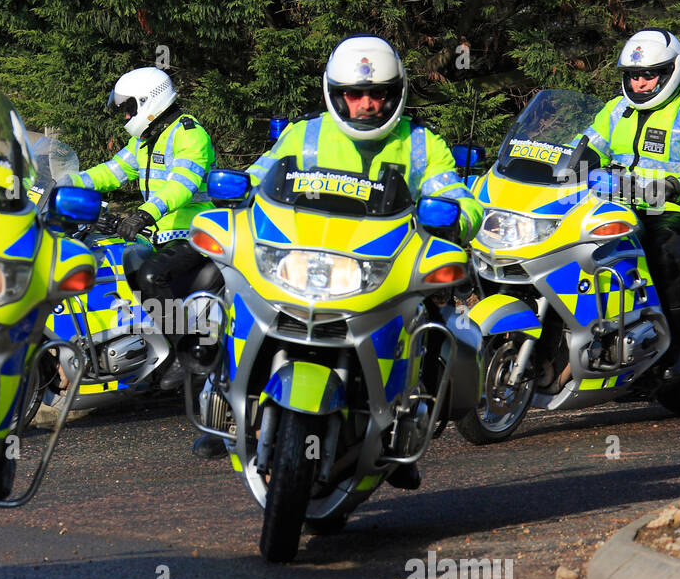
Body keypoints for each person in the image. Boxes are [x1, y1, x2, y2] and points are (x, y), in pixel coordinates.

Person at [193, 34, 481, 477]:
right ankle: (221, 395)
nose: (366, 104)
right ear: (336, 94)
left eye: (377, 94)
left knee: (433, 326)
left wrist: (457, 217)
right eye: (355, 94)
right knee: (220, 287)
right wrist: (235, 189)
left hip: (380, 271)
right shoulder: (304, 134)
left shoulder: (423, 144)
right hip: (301, 259)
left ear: (395, 94)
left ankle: (403, 427)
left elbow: (461, 199)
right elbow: (258, 174)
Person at [581, 28, 680, 376]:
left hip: (678, 211)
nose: (640, 84)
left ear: (671, 71)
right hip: (618, 204)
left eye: (649, 75)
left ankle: (671, 352)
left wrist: (677, 186)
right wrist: (564, 163)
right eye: (632, 76)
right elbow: (585, 145)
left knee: (664, 254)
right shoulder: (616, 109)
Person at [69, 67, 220, 364]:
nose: (126, 117)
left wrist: (143, 214)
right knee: (109, 260)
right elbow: (113, 171)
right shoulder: (145, 140)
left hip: (195, 233)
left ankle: (185, 352)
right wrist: (62, 183)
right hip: (157, 235)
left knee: (152, 276)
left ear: (148, 101)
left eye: (128, 109)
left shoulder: (189, 134)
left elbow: (183, 184)